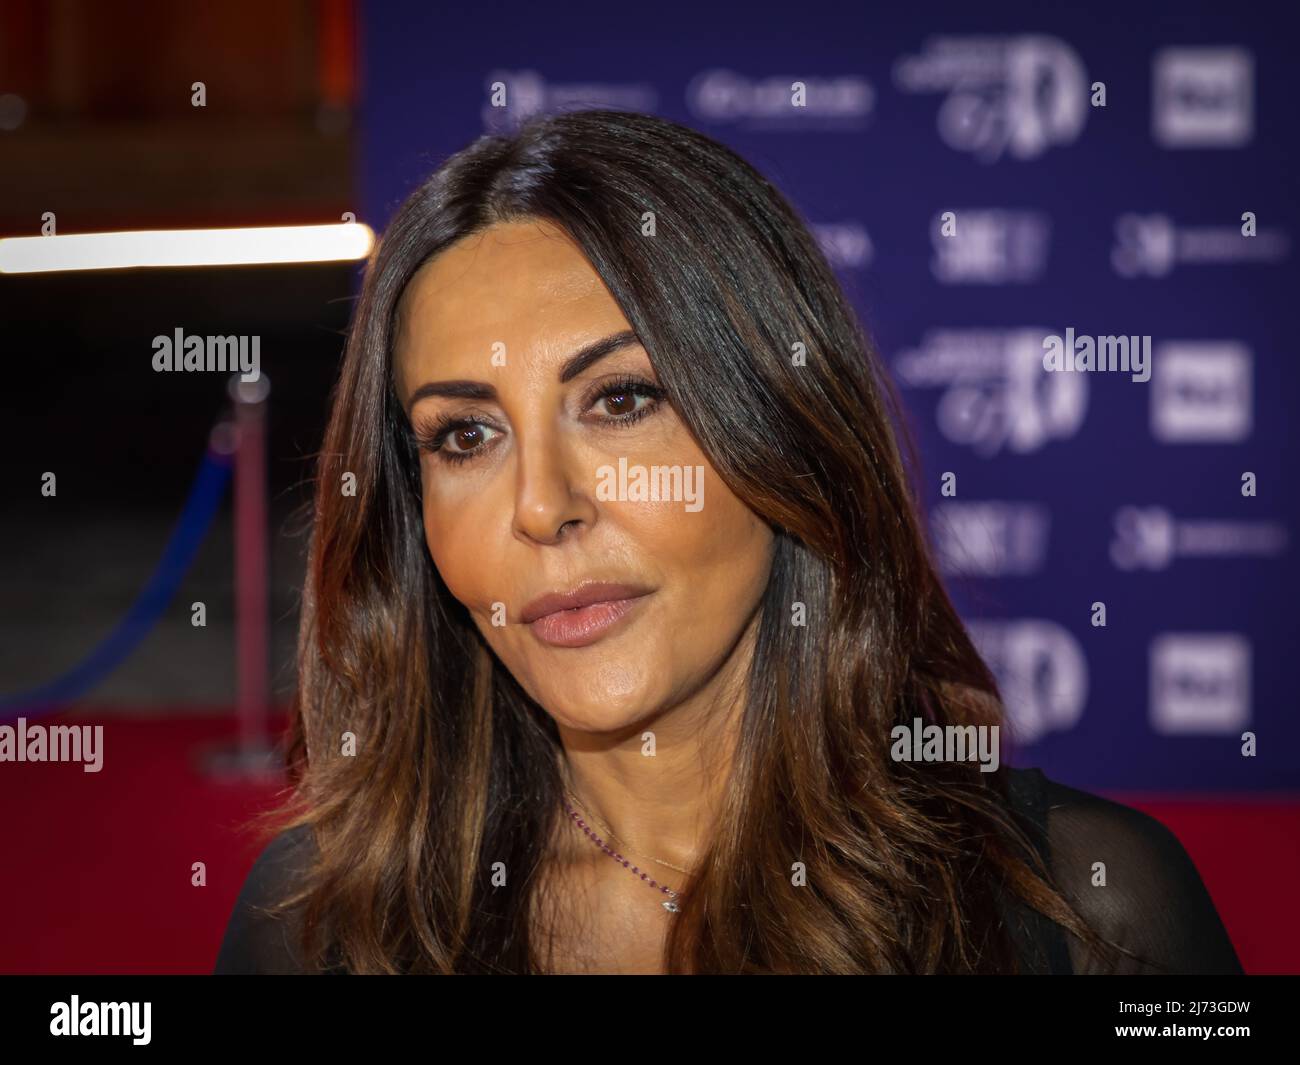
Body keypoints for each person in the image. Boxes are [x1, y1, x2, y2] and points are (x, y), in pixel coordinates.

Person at [213, 109, 1241, 975]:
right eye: (464, 435)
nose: (540, 508)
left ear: (783, 428)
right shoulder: (318, 922)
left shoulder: (1090, 910)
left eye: (621, 400)